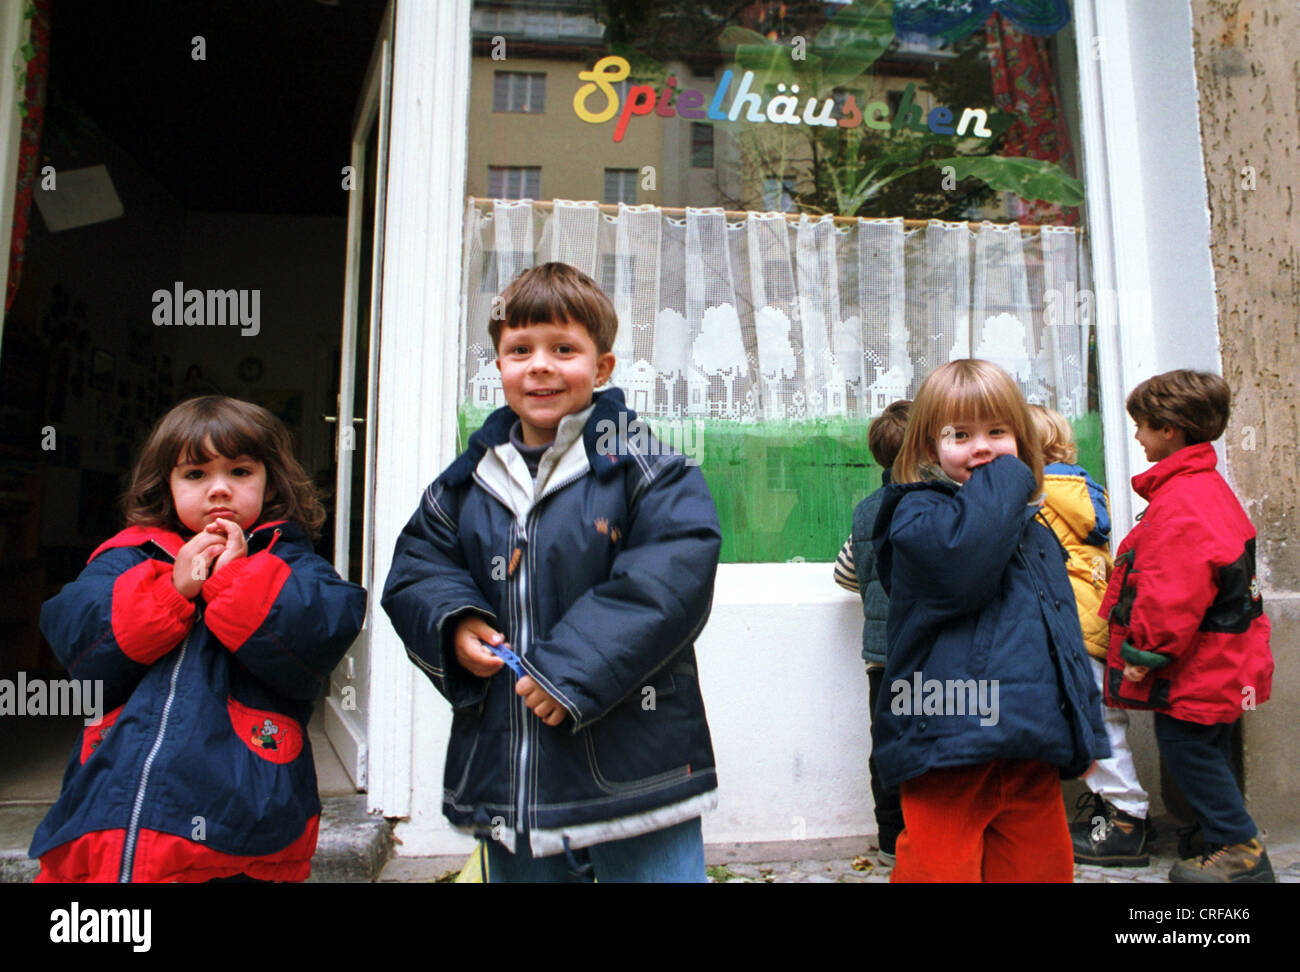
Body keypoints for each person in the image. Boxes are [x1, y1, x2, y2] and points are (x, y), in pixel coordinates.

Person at [382, 262, 721, 883]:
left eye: (563, 348)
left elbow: (671, 577)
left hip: (636, 771)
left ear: (602, 368)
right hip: (513, 772)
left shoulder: (649, 469)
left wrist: (565, 672)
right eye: (520, 349)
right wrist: (456, 624)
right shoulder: (466, 482)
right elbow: (416, 569)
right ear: (500, 366)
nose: (539, 364)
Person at [30, 396, 366, 882]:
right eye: (196, 475)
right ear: (164, 484)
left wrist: (234, 581)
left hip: (243, 815)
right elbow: (76, 634)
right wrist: (173, 589)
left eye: (241, 472)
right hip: (109, 811)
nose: (220, 490)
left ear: (270, 482)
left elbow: (320, 633)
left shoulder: (293, 562)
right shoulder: (129, 555)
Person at [870, 359, 1108, 882]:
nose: (981, 446)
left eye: (998, 432)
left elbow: (1061, 637)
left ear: (1023, 439)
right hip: (948, 742)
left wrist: (1082, 730)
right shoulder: (918, 514)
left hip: (1027, 742)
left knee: (1041, 869)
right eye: (960, 434)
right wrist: (1007, 472)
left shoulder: (1033, 530)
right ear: (930, 448)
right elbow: (963, 566)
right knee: (940, 869)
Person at [1100, 370, 1274, 883]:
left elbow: (1170, 593)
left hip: (1198, 662)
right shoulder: (1203, 488)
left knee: (1187, 749)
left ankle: (1240, 851)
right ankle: (1220, 837)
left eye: (1142, 426)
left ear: (1170, 429)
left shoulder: (1182, 503)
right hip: (1224, 656)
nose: (1136, 436)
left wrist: (1142, 656)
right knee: (1209, 746)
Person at [1029, 404, 1154, 866]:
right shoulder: (1081, 490)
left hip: (1070, 624)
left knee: (1096, 725)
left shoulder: (1037, 496)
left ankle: (1125, 820)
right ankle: (1118, 813)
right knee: (1100, 720)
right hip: (1095, 621)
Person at [833, 399, 910, 866]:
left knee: (886, 748)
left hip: (880, 657)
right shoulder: (943, 503)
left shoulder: (867, 511)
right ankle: (931, 833)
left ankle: (890, 839)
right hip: (928, 657)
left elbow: (845, 574)